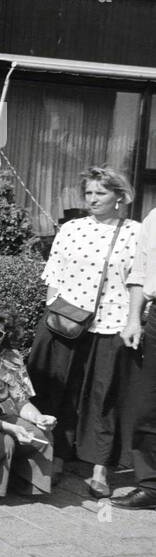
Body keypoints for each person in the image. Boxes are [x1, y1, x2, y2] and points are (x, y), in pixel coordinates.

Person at [28, 166, 140, 499]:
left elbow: (139, 281)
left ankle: (99, 469)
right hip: (66, 323)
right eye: (88, 193)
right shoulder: (72, 229)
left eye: (100, 193)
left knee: (103, 396)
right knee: (59, 391)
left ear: (119, 197)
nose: (92, 199)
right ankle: (58, 458)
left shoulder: (134, 232)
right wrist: (53, 315)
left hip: (112, 325)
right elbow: (54, 275)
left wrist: (134, 321)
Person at [0, 307, 57, 497]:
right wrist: (9, 428)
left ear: (6, 337)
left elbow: (21, 401)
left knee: (40, 434)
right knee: (4, 442)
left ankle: (23, 482)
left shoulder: (12, 358)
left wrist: (38, 417)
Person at [118, 202, 156, 510]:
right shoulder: (155, 217)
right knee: (148, 406)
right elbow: (140, 273)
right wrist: (133, 319)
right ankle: (150, 485)